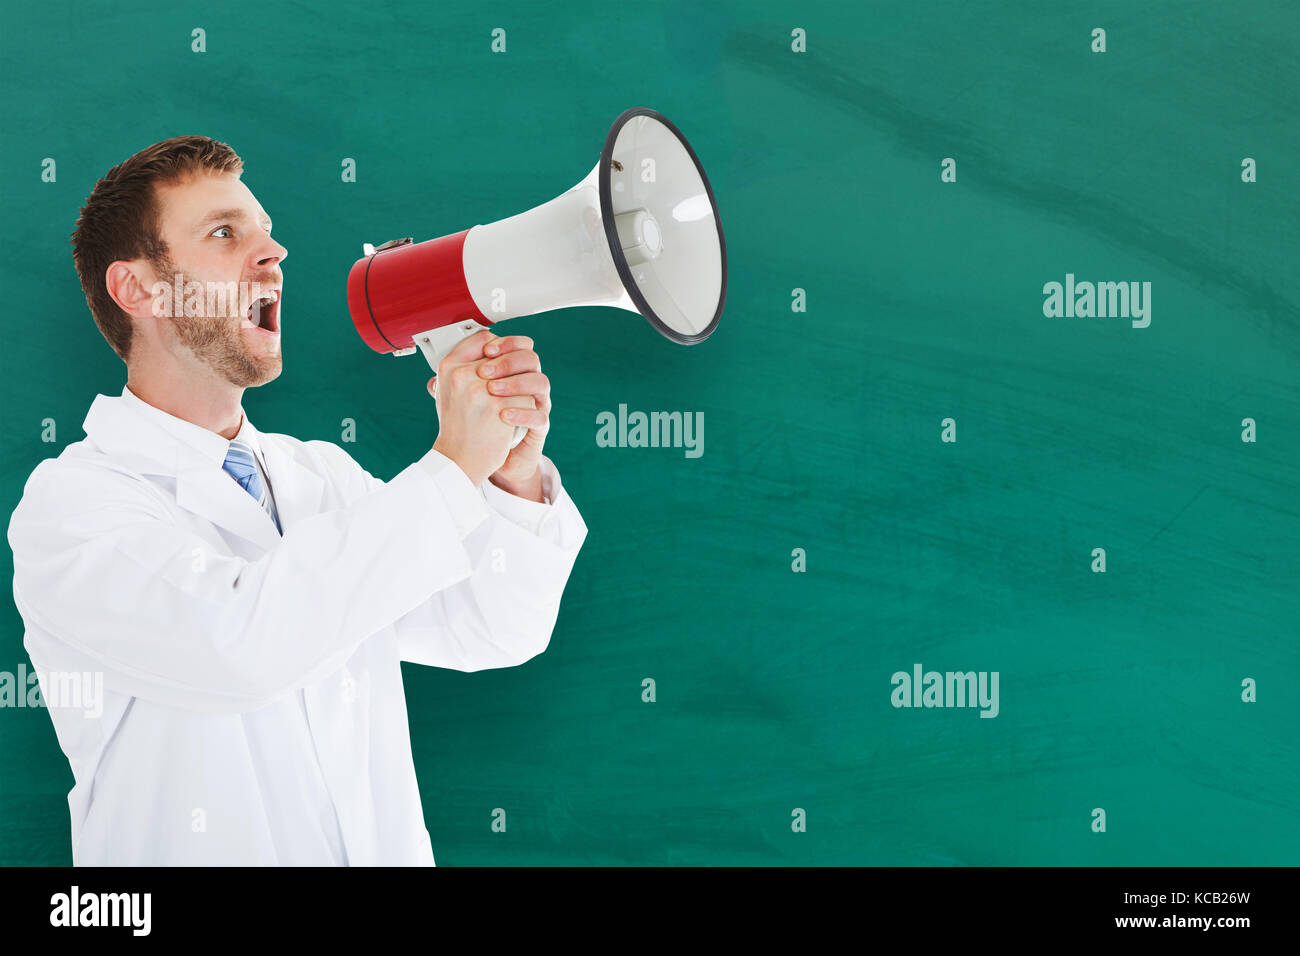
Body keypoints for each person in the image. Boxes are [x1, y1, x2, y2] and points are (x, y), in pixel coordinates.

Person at [6, 135, 587, 866]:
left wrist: (508, 473)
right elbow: (238, 648)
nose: (273, 251)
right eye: (225, 233)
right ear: (139, 289)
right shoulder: (74, 505)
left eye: (266, 230)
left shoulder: (322, 477)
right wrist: (449, 468)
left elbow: (491, 629)